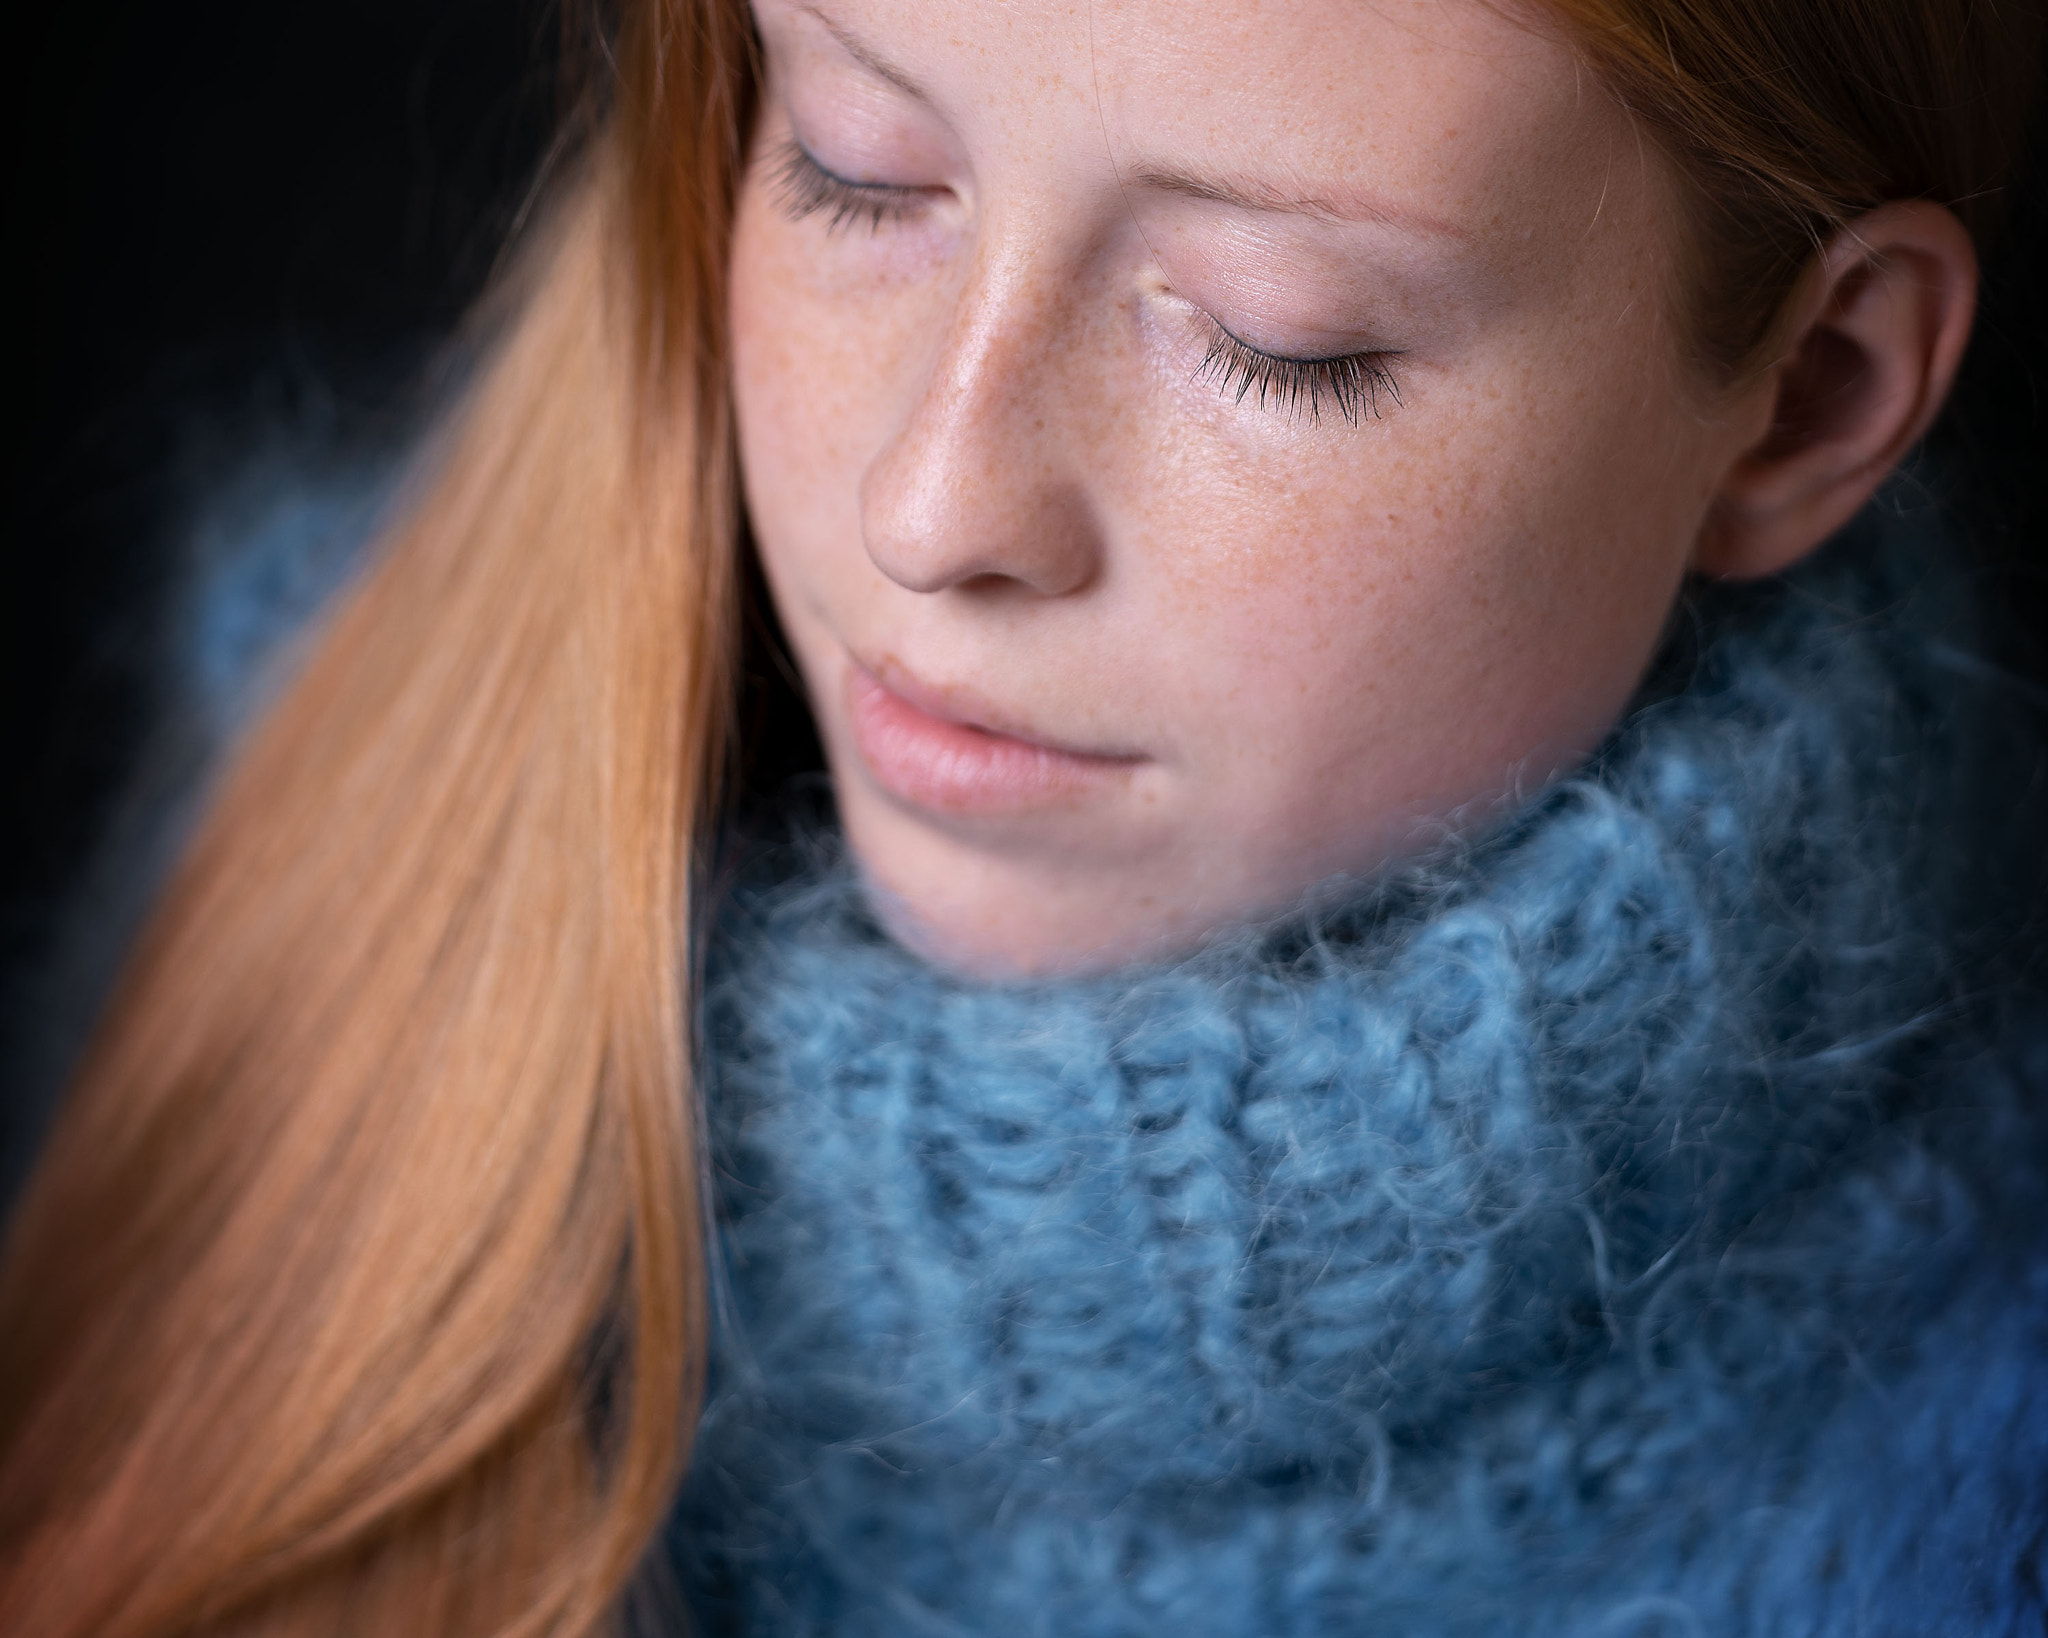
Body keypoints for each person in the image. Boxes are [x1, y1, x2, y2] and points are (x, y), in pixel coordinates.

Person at [2, 0, 2045, 1633]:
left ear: (1811, 395)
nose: (935, 500)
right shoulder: (302, 835)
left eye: (1274, 332)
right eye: (858, 166)